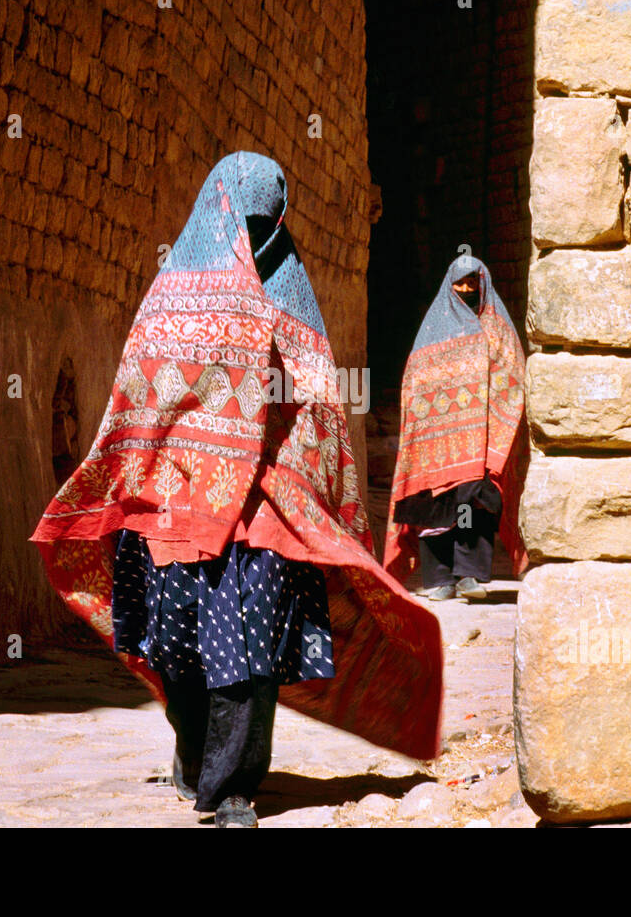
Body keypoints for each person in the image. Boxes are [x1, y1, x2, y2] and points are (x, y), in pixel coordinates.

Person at [32, 151, 443, 827]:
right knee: (179, 646)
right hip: (177, 511)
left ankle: (231, 789)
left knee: (247, 652)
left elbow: (315, 406)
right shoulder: (173, 292)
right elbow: (140, 396)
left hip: (263, 514)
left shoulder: (290, 294)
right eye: (245, 218)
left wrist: (305, 486)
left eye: (266, 218)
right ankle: (194, 757)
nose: (255, 231)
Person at [384, 254, 528, 601]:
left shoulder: (498, 328)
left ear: (483, 286)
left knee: (475, 508)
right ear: (449, 285)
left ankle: (468, 576)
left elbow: (513, 376)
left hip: (481, 443)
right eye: (460, 283)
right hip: (437, 446)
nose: (466, 290)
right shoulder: (434, 328)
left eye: (472, 284)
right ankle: (439, 580)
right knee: (436, 511)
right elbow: (416, 381)